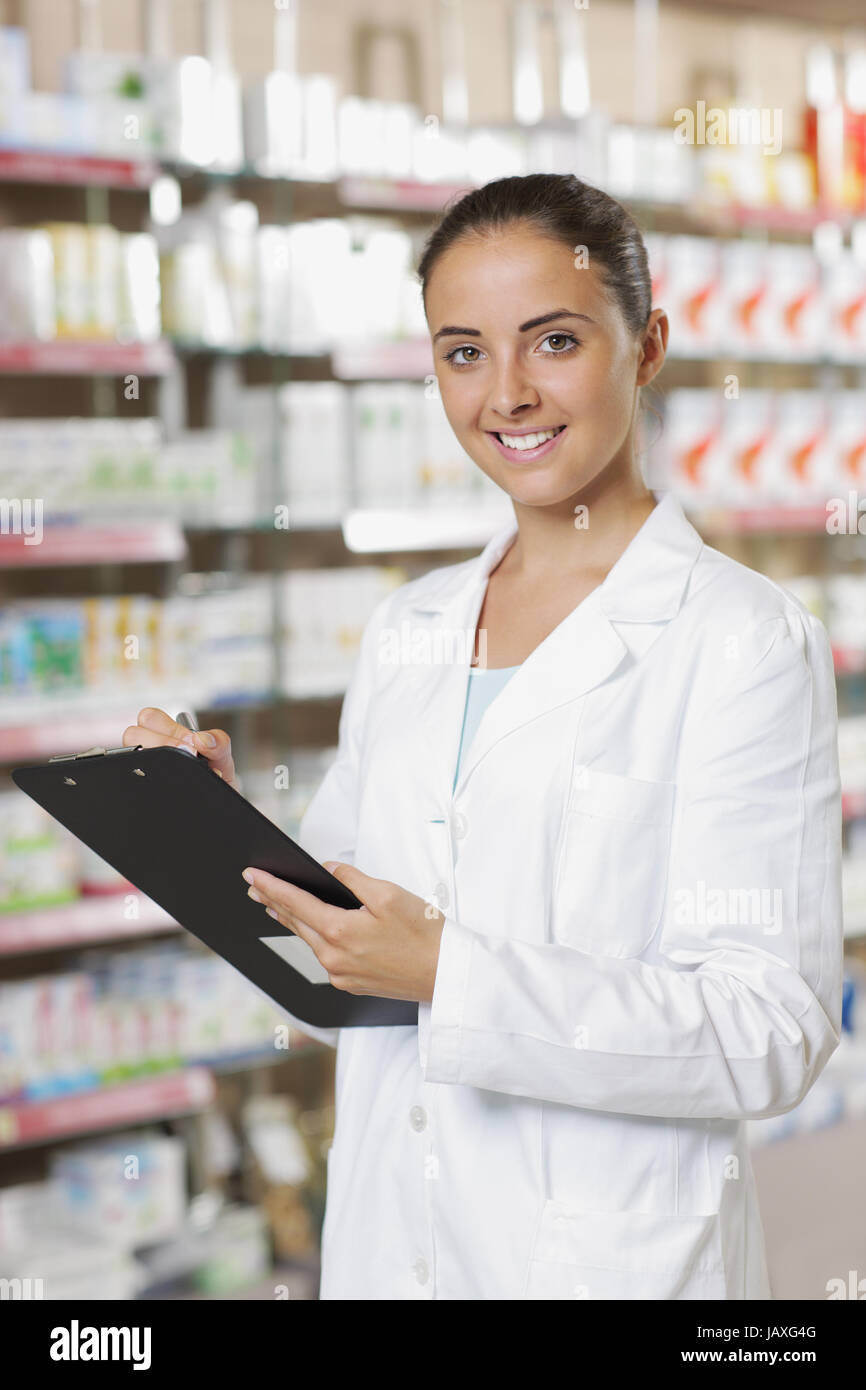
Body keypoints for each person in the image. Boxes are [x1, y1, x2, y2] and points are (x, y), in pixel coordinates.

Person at [125, 173, 842, 1301]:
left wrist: (453, 975)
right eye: (461, 353)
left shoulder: (740, 641)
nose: (505, 394)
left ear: (645, 346)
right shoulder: (409, 628)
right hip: (390, 1251)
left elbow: (769, 1029)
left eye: (551, 341)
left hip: (612, 1268)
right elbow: (343, 968)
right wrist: (220, 837)